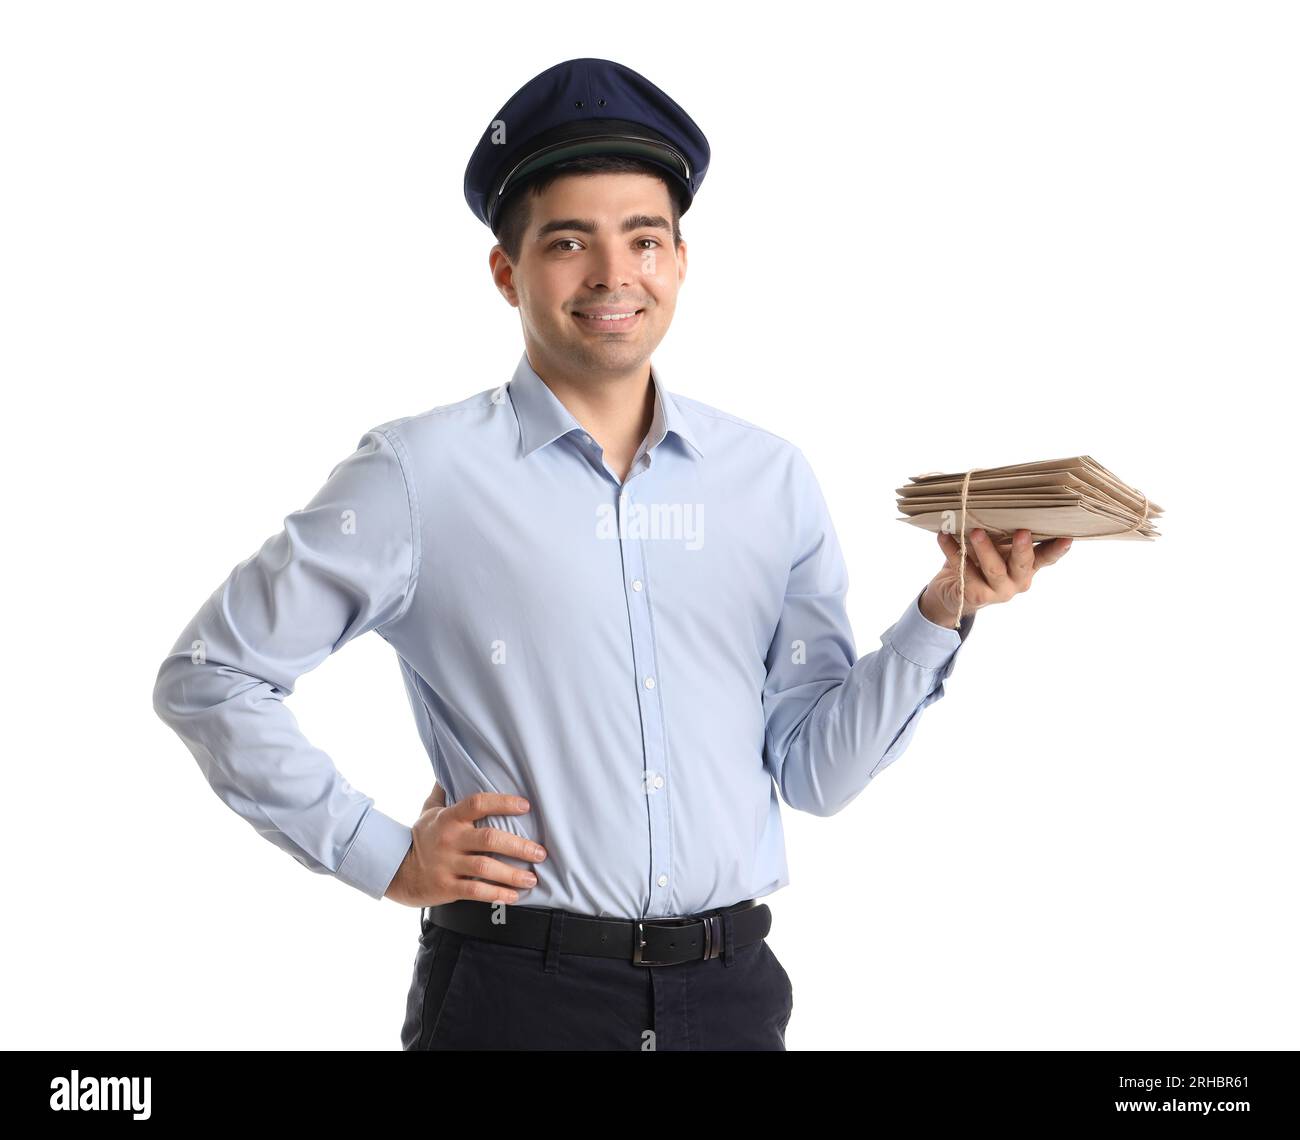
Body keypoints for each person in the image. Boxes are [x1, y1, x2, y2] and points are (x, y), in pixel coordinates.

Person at [152, 57, 1072, 1051]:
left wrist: (943, 610)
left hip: (732, 998)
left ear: (680, 260)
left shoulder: (769, 481)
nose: (612, 276)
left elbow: (812, 771)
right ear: (507, 272)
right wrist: (380, 853)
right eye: (567, 242)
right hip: (513, 999)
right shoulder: (418, 476)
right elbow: (213, 676)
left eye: (643, 238)